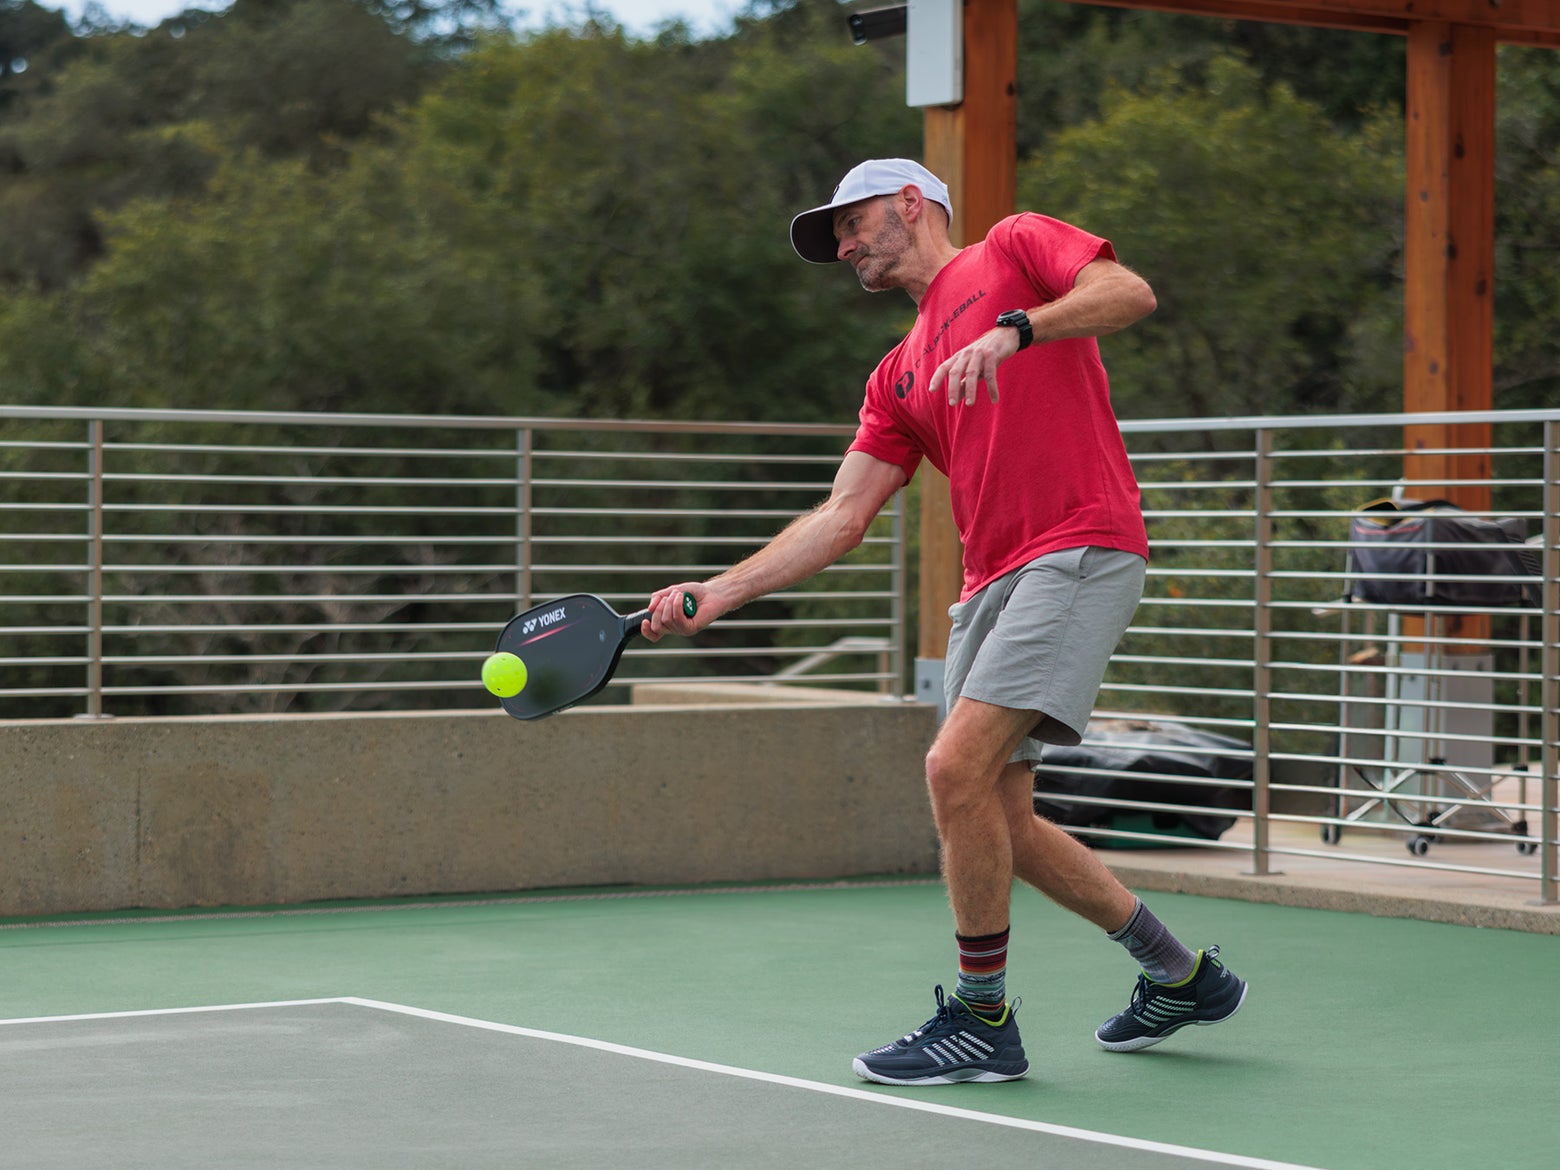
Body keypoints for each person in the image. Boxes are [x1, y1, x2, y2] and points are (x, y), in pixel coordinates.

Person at [642, 158, 1247, 1086]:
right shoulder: (896, 374)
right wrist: (722, 591)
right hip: (990, 581)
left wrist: (1018, 328)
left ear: (911, 204)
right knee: (1001, 818)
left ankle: (981, 1019)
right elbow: (841, 516)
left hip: (1079, 546)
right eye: (836, 238)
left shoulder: (1014, 248)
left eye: (854, 224)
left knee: (950, 769)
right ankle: (1182, 976)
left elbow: (1128, 292)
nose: (844, 247)